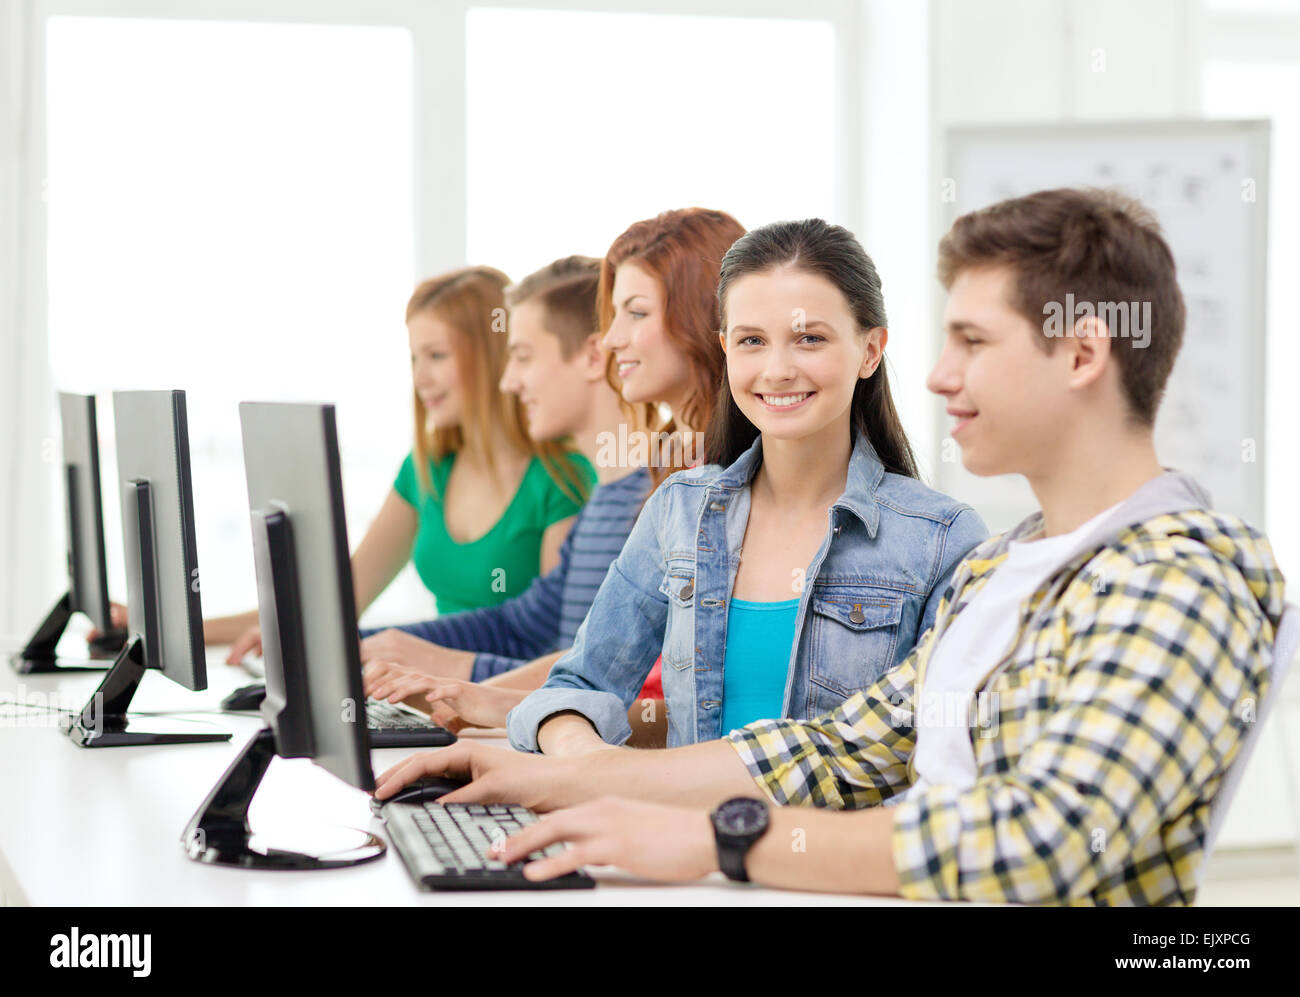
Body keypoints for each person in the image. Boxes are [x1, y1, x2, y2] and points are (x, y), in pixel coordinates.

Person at [374, 189, 1286, 906]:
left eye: (972, 340)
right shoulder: (1006, 567)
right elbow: (834, 749)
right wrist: (554, 777)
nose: (937, 373)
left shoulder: (1181, 572)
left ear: (1085, 355)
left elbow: (1041, 838)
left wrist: (722, 838)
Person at [481, 217, 985, 755]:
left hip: (834, 840)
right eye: (751, 341)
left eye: (809, 339)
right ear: (725, 349)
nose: (777, 369)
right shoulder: (678, 509)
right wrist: (588, 759)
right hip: (673, 835)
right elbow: (578, 686)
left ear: (870, 349)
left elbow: (942, 757)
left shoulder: (942, 539)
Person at [360, 210, 747, 740]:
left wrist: (485, 698)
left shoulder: (695, 483)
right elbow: (583, 652)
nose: (611, 340)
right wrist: (467, 690)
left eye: (634, 313)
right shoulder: (664, 479)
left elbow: (639, 688)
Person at [206, 265, 595, 661]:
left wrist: (393, 655)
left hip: (492, 702)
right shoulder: (428, 468)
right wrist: (191, 630)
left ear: (494, 355)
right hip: (437, 689)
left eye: (436, 356)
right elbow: (332, 607)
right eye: (414, 359)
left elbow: (553, 652)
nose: (420, 377)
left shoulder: (564, 478)